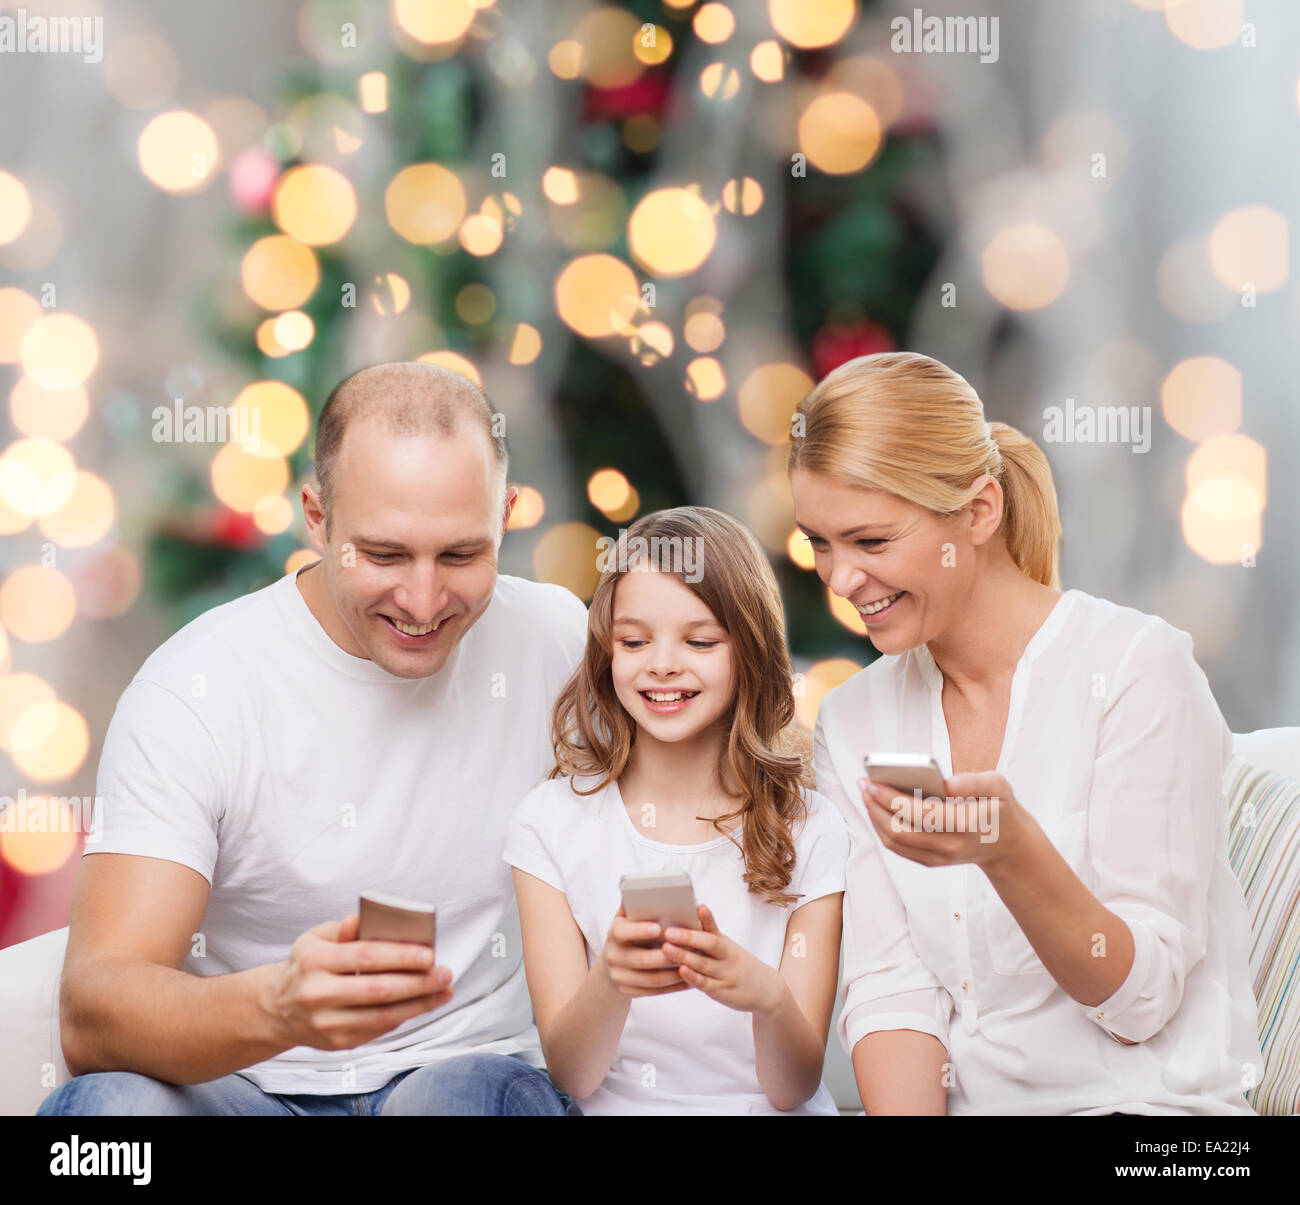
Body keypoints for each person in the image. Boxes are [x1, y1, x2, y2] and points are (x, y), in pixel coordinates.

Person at [37, 362, 587, 1117]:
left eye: (461, 555)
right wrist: (280, 1008)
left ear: (507, 516)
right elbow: (93, 1012)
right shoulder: (197, 689)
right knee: (106, 1112)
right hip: (244, 1087)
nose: (424, 601)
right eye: (385, 555)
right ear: (317, 517)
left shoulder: (558, 640)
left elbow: (723, 771)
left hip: (459, 1077)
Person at [789, 350, 1262, 1116]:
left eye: (870, 542)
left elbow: (1140, 1000)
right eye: (820, 543)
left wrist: (1009, 852)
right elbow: (892, 993)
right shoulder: (854, 718)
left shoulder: (1137, 669)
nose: (840, 580)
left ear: (979, 511)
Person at [504, 507, 849, 1115]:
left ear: (750, 652)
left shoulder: (811, 827)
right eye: (634, 641)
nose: (661, 663)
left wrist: (767, 996)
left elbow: (792, 1087)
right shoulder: (550, 823)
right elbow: (572, 1074)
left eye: (699, 641)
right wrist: (611, 978)